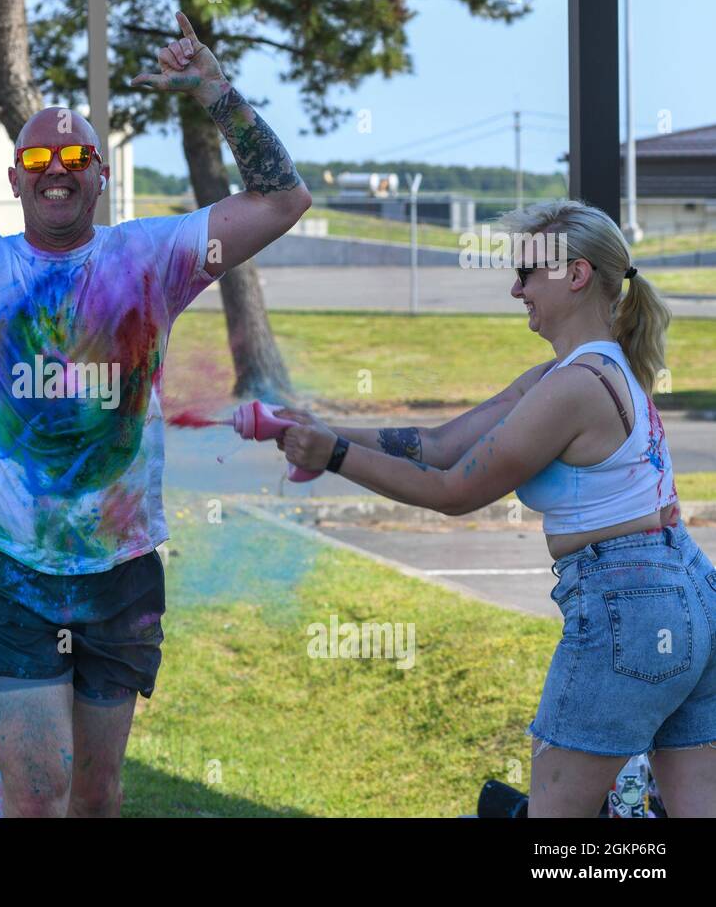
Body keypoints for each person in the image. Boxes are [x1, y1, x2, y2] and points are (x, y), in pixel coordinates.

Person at [0, 14, 313, 816]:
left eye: (75, 159)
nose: (57, 170)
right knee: (40, 795)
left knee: (97, 796)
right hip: (7, 570)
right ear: (15, 179)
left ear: (100, 176)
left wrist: (217, 91)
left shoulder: (154, 258)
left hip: (122, 570)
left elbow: (284, 200)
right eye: (38, 159)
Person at [277, 200, 716, 818]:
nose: (516, 289)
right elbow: (440, 444)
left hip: (630, 604)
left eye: (527, 272)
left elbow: (453, 491)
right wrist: (325, 432)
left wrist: (334, 456)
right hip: (690, 595)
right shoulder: (576, 372)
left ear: (576, 274)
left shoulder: (573, 386)